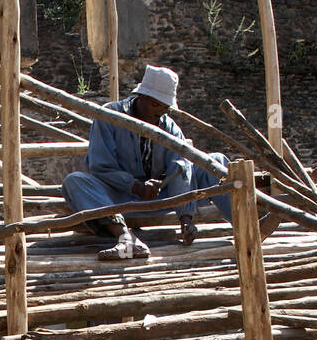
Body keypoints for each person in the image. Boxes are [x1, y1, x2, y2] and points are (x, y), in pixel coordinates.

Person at [62, 64, 278, 260]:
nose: (158, 113)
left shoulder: (170, 127)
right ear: (141, 97)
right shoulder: (109, 116)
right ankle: (126, 239)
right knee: (75, 181)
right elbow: (100, 167)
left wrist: (186, 218)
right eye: (155, 105)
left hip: (163, 198)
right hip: (119, 199)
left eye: (164, 108)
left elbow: (181, 169)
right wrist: (134, 186)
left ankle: (248, 227)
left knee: (216, 162)